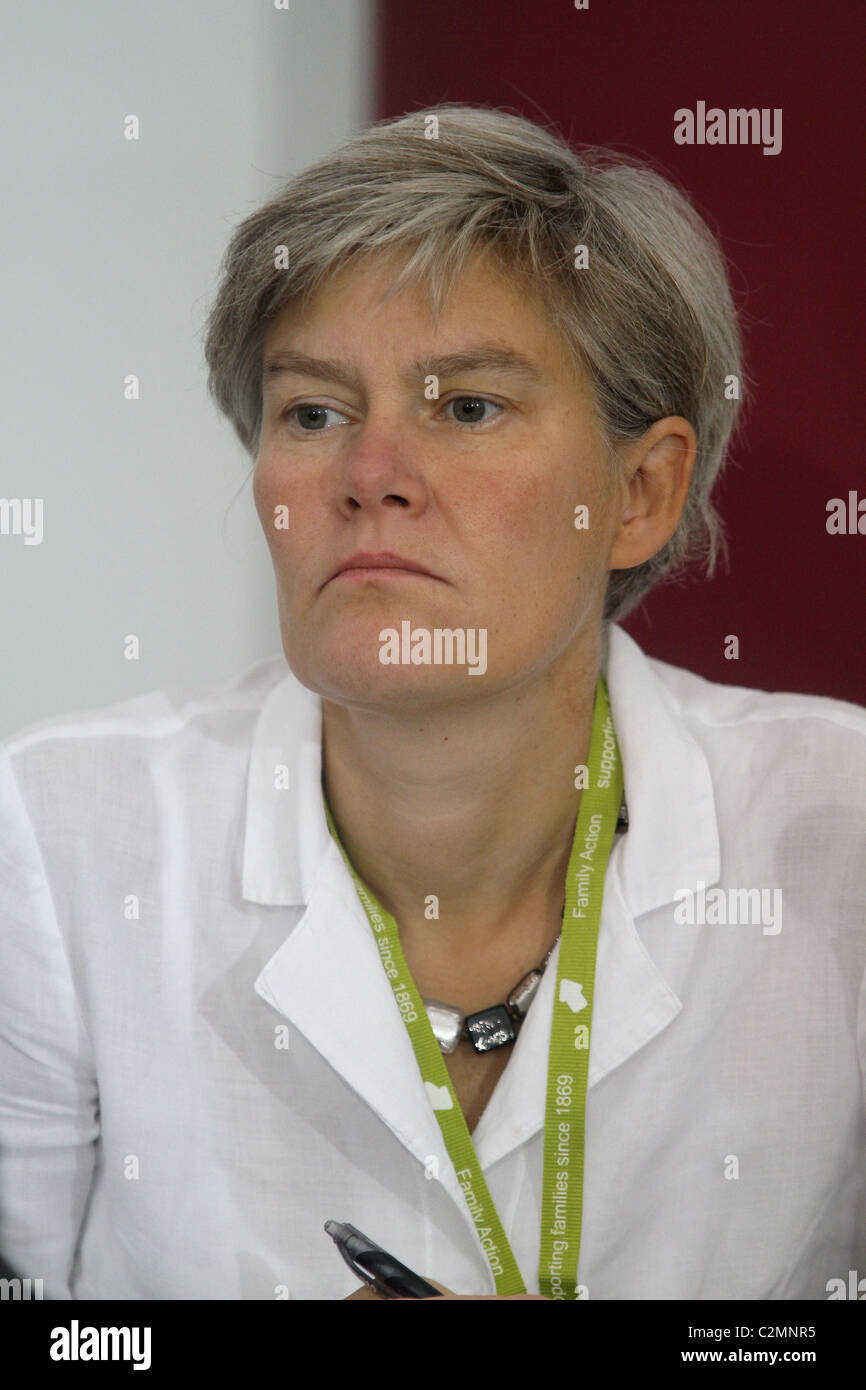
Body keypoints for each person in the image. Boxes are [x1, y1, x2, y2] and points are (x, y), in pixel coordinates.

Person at [1, 104, 863, 1302]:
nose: (369, 476)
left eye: (465, 407)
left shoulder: (837, 824)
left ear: (639, 492)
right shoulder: (58, 829)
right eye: (313, 412)